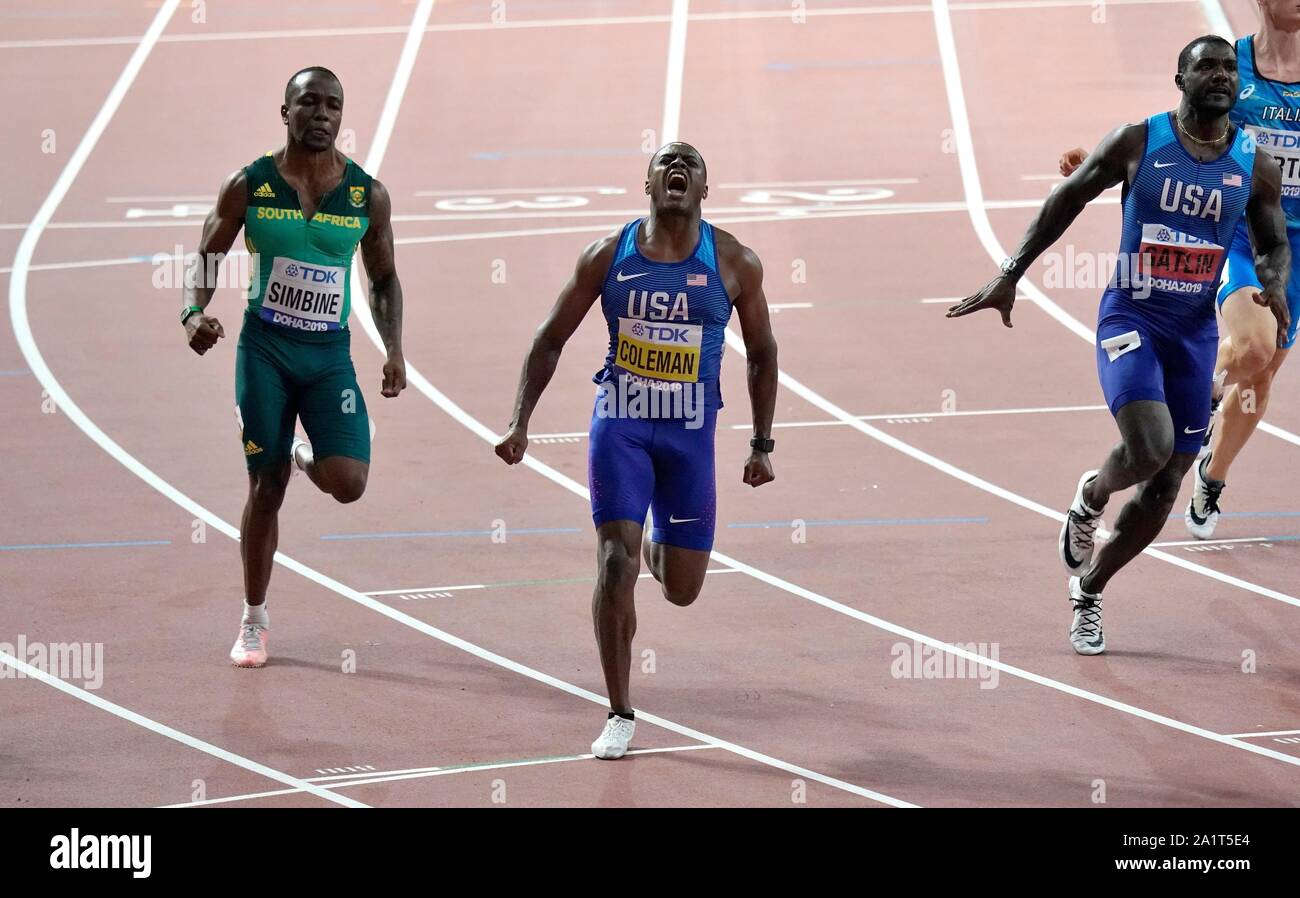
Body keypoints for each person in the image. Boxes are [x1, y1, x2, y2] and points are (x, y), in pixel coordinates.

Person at [948, 37, 1288, 654]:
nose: (1219, 76)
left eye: (1226, 69)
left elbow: (1271, 242)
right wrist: (1010, 271)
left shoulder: (1256, 165)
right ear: (1178, 79)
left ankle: (1090, 588)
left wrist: (1274, 282)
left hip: (1193, 333)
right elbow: (1068, 196)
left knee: (1164, 486)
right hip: (1130, 318)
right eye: (1204, 66)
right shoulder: (1138, 142)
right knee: (1151, 447)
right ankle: (1092, 497)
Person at [494, 142, 779, 758]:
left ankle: (660, 541)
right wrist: (520, 422)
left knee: (681, 589)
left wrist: (761, 443)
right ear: (646, 182)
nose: (678, 168)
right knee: (613, 563)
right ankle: (620, 711)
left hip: (688, 437)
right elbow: (549, 339)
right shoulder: (607, 257)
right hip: (620, 425)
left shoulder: (735, 263)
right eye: (666, 161)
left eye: (691, 163)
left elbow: (762, 352)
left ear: (706, 188)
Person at [182, 66, 407, 668]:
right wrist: (191, 312)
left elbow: (382, 278)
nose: (323, 114)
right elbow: (208, 253)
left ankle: (308, 453)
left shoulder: (365, 193)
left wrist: (393, 349)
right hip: (265, 353)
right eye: (309, 103)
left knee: (349, 484)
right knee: (266, 485)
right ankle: (254, 619)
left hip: (329, 357)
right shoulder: (250, 184)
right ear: (286, 112)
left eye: (333, 105)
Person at [1059, 4, 1298, 540]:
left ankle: (1211, 474)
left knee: (1263, 373)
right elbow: (1176, 128)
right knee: (1256, 349)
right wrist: (1099, 155)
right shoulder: (1230, 64)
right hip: (1239, 231)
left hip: (1291, 240)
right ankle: (1201, 388)